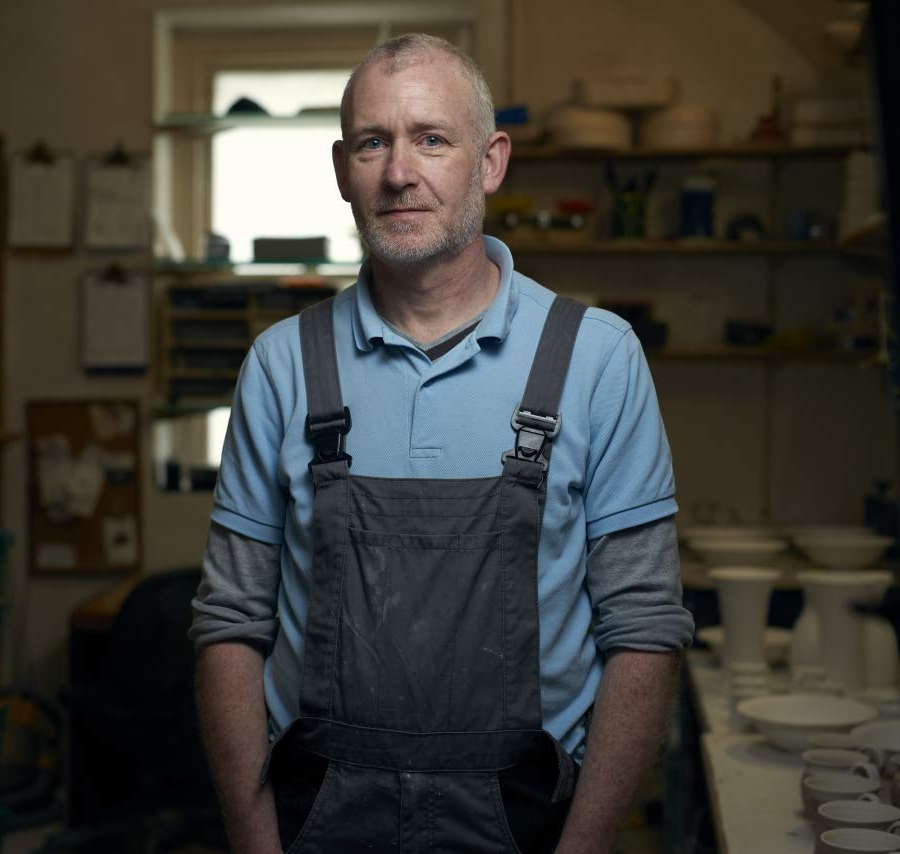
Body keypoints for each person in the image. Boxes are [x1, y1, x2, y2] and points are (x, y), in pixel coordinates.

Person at [191, 33, 693, 854]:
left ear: (490, 161)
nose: (398, 171)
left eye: (432, 137)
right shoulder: (283, 363)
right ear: (341, 169)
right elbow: (229, 622)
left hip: (530, 823)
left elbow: (643, 629)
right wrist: (255, 843)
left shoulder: (596, 357)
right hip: (317, 822)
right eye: (371, 142)